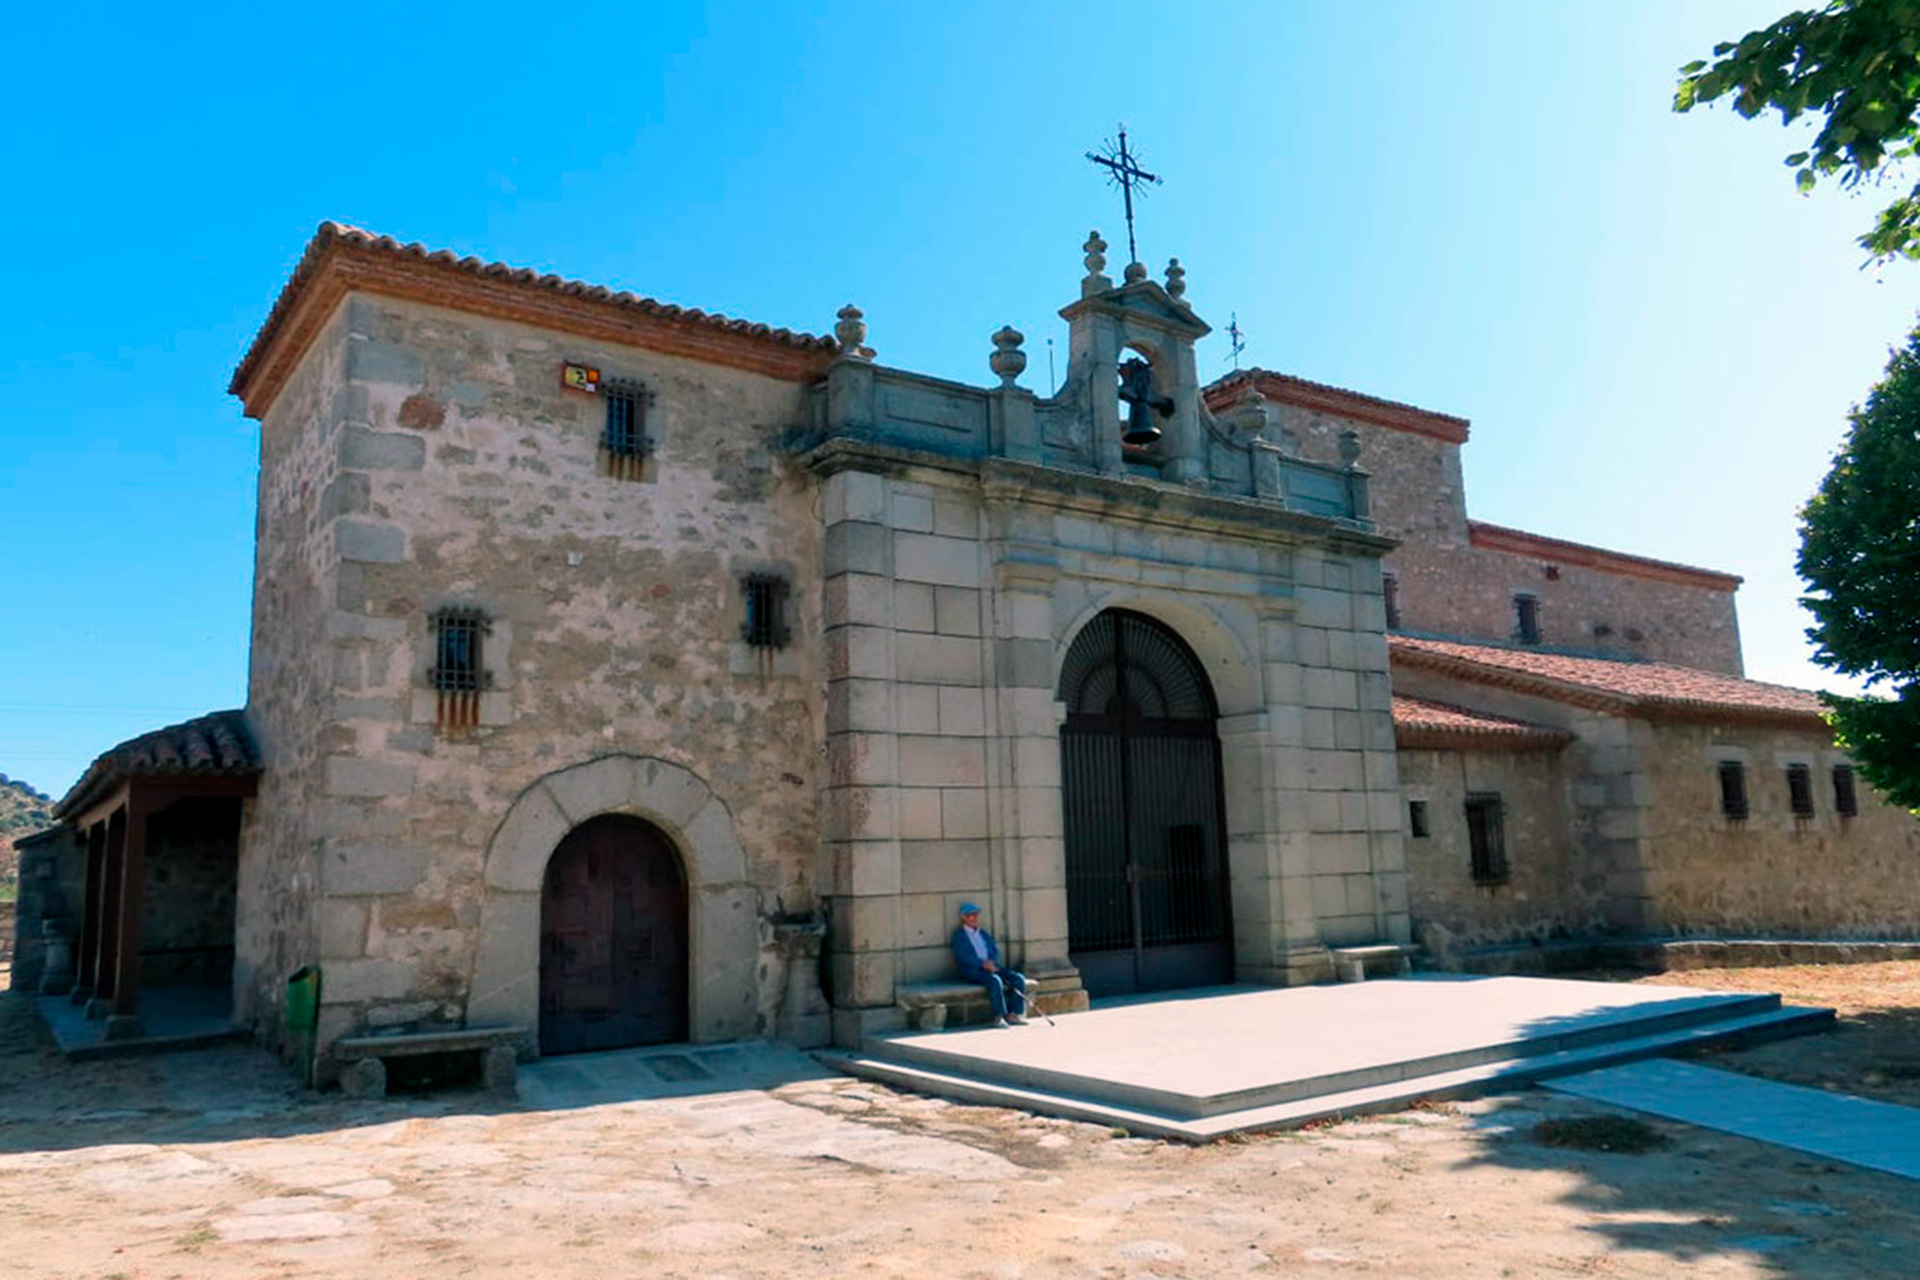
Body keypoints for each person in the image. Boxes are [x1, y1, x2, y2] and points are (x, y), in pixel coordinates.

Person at [950, 902, 1028, 1027]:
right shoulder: (959, 936)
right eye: (971, 915)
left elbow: (994, 950)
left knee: (1018, 978)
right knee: (995, 981)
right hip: (974, 971)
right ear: (964, 917)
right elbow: (962, 957)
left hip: (991, 967)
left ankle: (1014, 1014)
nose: (975, 917)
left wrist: (992, 961)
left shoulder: (983, 933)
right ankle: (1000, 1015)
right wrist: (982, 964)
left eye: (976, 914)